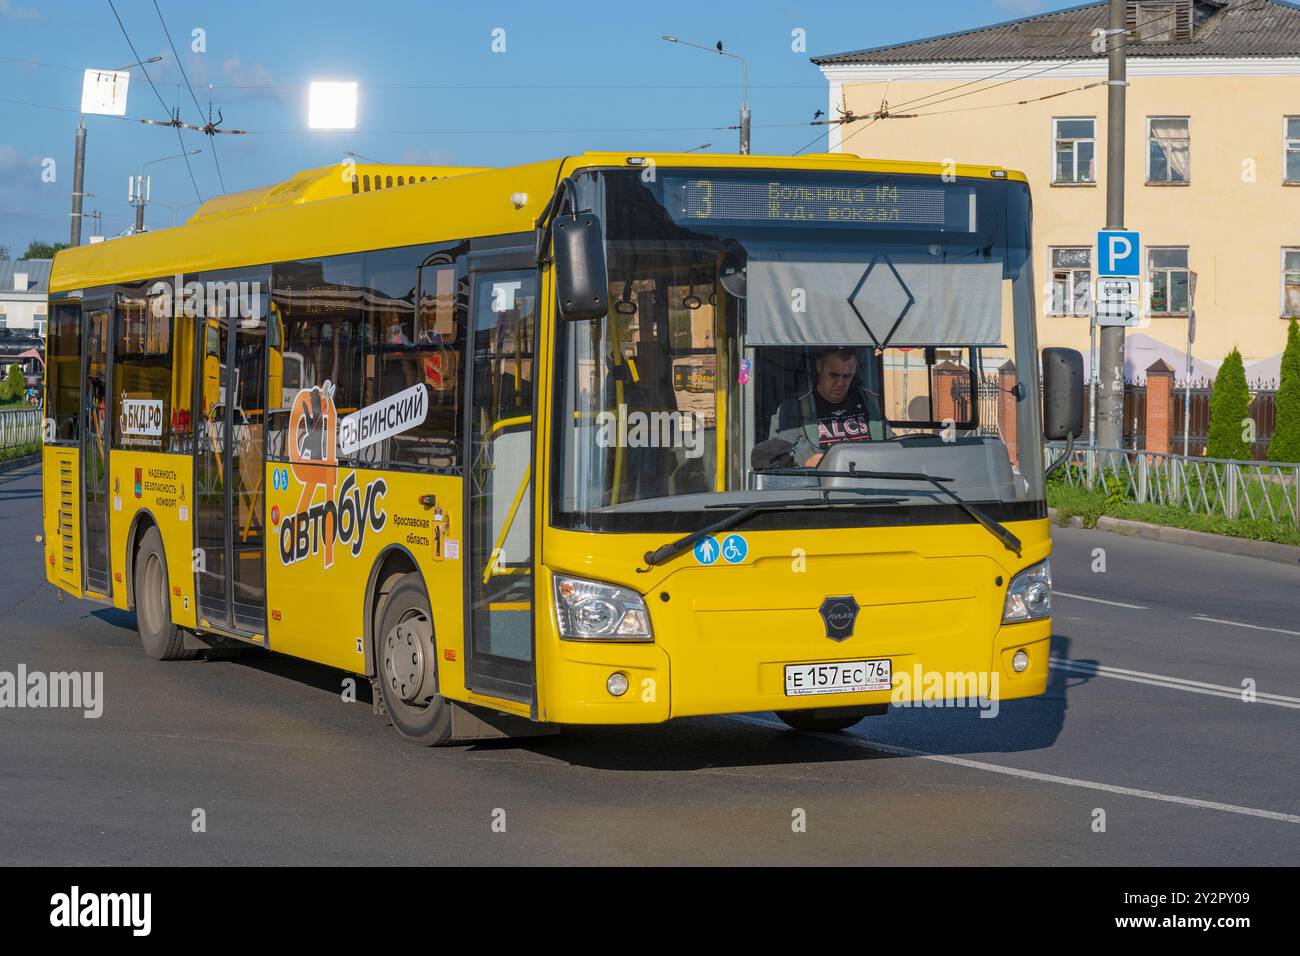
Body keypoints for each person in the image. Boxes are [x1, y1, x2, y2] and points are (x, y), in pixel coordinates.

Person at [769, 348, 887, 467]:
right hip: (817, 483)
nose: (840, 383)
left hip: (867, 479)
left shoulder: (871, 403)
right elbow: (775, 461)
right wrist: (805, 466)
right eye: (833, 375)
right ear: (819, 367)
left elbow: (892, 446)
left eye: (847, 376)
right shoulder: (795, 407)